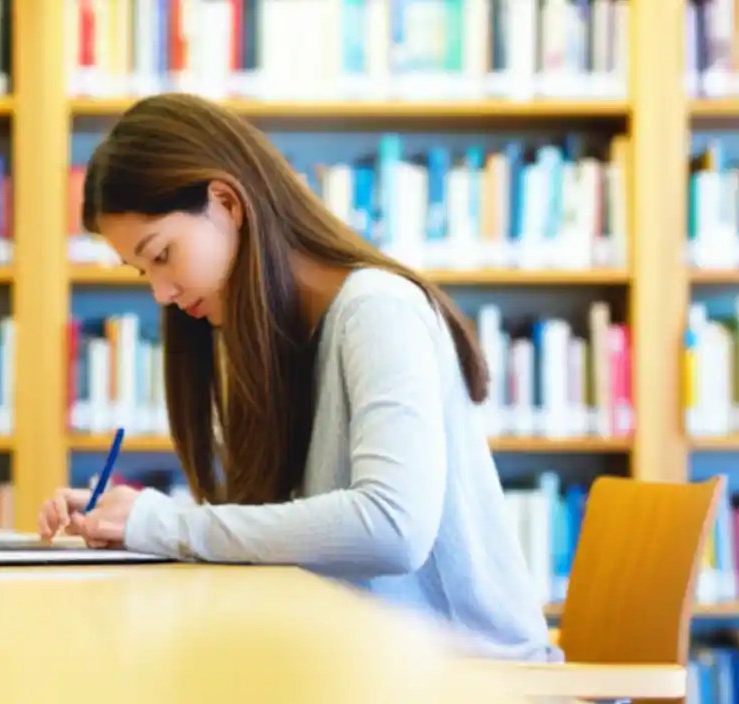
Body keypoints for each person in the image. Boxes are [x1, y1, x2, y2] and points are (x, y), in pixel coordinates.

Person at [37, 92, 559, 663]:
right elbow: (285, 527)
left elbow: (392, 527)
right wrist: (127, 522)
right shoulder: (276, 337)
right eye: (143, 271)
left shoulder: (377, 309)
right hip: (366, 672)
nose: (160, 293)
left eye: (161, 254)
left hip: (475, 687)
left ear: (226, 204)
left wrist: (168, 526)